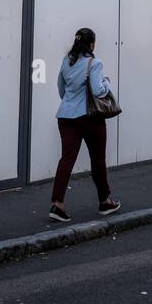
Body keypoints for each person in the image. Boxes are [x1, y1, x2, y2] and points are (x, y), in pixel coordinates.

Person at [49, 27, 120, 222]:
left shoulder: (66, 61)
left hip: (65, 117)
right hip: (90, 118)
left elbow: (60, 89)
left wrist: (71, 102)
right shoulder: (94, 63)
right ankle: (105, 201)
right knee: (98, 160)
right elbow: (98, 91)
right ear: (91, 44)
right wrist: (107, 82)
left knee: (66, 159)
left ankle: (57, 204)